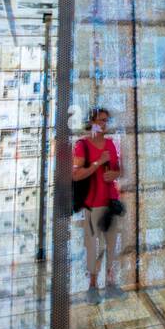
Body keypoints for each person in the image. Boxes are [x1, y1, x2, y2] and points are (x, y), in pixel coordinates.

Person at [73, 107, 123, 303]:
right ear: (91, 122)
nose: (104, 124)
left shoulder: (111, 144)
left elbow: (118, 169)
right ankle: (92, 286)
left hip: (111, 201)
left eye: (106, 120)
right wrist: (96, 164)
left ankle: (110, 283)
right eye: (100, 120)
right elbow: (76, 175)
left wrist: (115, 174)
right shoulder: (82, 145)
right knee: (94, 246)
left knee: (111, 244)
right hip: (93, 204)